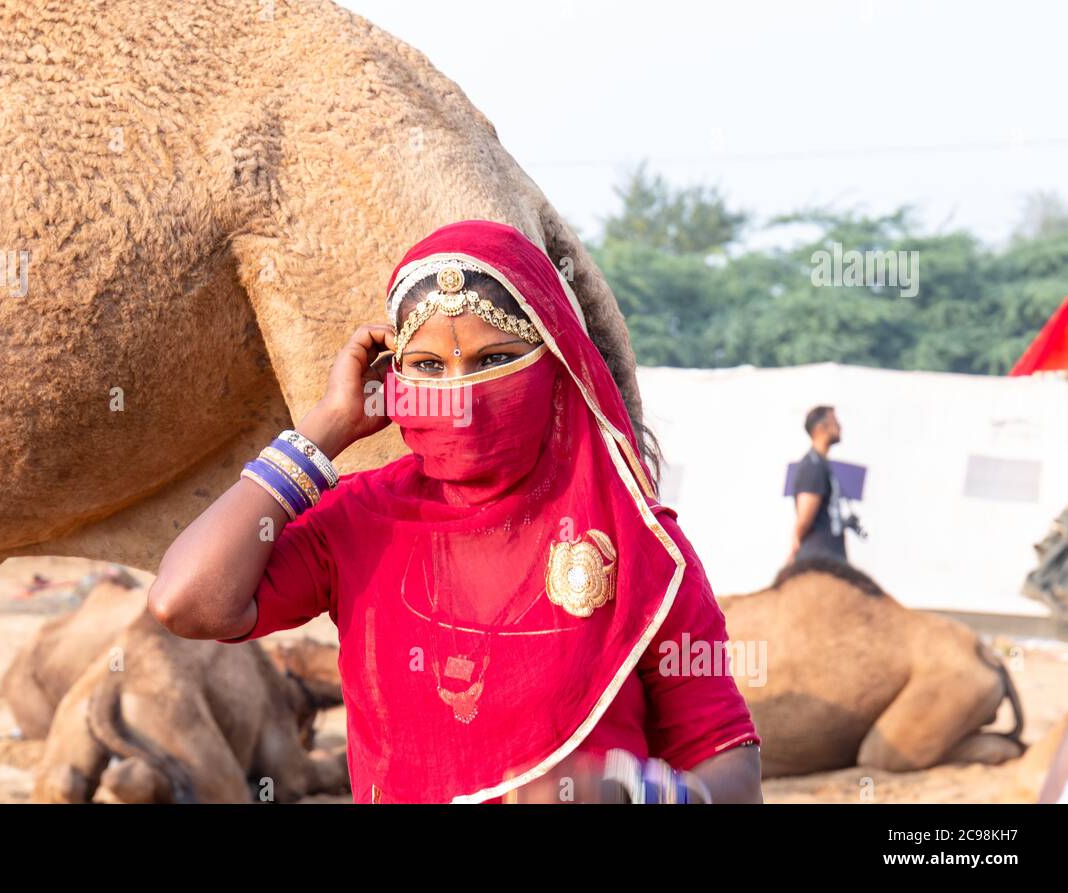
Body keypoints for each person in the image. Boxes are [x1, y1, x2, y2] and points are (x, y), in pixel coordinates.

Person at [149, 220, 762, 804]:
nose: (461, 392)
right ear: (394, 381)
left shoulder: (642, 545)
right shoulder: (359, 521)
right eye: (428, 367)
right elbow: (186, 600)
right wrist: (325, 428)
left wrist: (629, 790)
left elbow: (732, 773)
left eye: (494, 361)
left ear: (554, 364)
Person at [788, 405, 847, 564]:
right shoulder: (812, 466)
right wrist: (795, 546)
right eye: (835, 421)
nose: (840, 426)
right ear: (821, 428)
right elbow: (805, 518)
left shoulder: (820, 463)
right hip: (818, 559)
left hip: (829, 557)